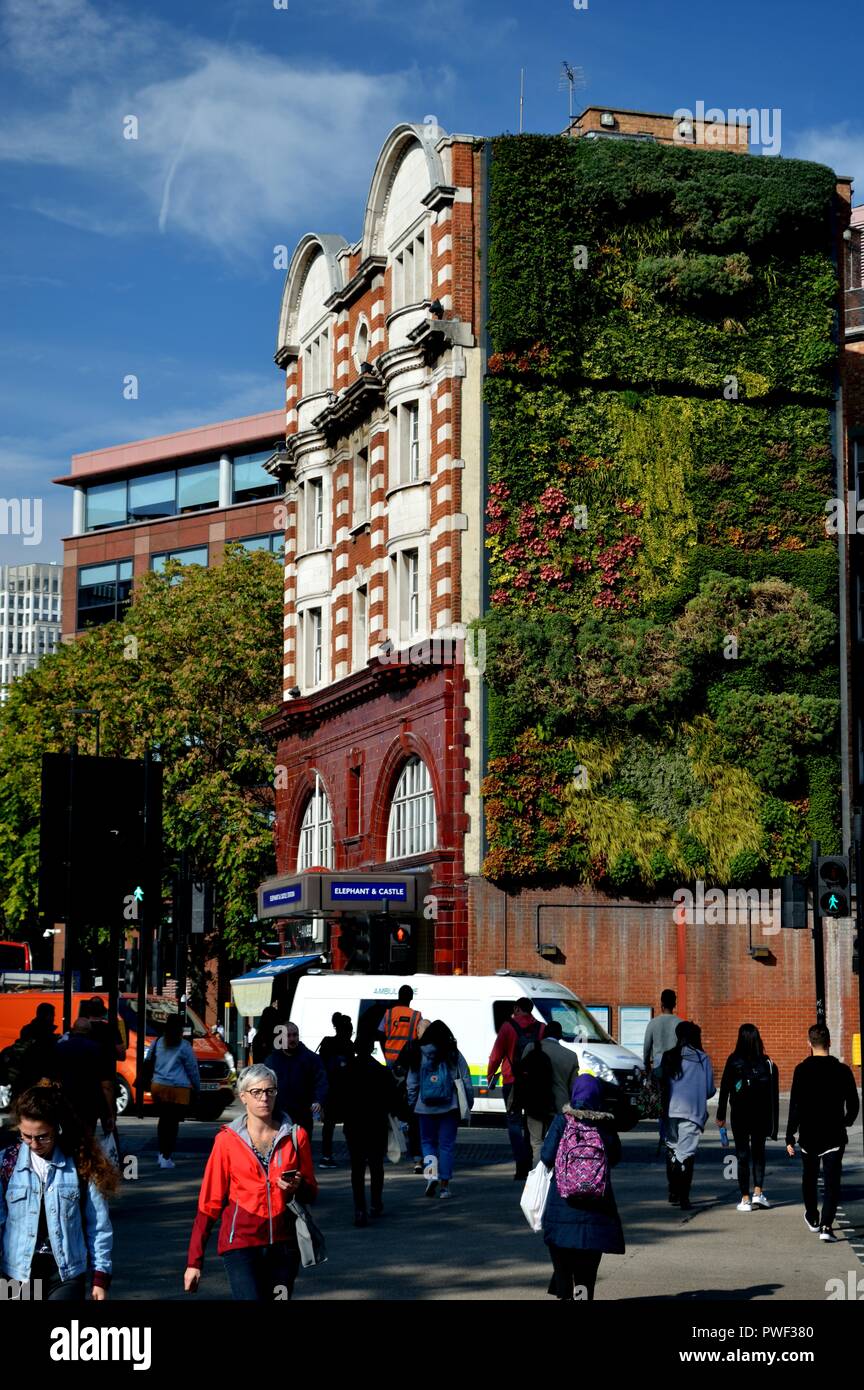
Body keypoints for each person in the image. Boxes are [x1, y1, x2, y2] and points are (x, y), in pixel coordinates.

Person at [184, 1064, 318, 1301]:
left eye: (270, 1091)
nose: (264, 1098)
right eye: (256, 1092)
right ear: (243, 1097)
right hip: (240, 1245)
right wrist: (194, 1261)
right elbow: (209, 1204)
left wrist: (299, 1187)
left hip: (285, 1245)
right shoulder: (226, 1141)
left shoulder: (297, 1136)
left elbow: (311, 1193)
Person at [0, 1080, 116, 1300]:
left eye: (42, 1136)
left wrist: (100, 1277)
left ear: (58, 1128)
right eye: (26, 1136)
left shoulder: (81, 1164)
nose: (34, 1144)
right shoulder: (7, 1163)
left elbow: (98, 1224)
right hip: (17, 1272)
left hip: (66, 1272)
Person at [540, 1072, 625, 1301]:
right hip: (597, 1210)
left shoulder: (562, 1121)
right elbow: (616, 1157)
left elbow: (546, 1157)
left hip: (562, 1207)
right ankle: (582, 1297)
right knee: (586, 1274)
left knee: (563, 1270)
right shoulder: (605, 1124)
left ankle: (565, 1295)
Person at [786, 1023, 860, 1242]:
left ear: (809, 1043)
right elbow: (854, 1103)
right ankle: (827, 1226)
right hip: (834, 1133)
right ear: (829, 1042)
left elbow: (795, 1106)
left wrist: (790, 1135)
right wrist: (846, 1121)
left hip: (809, 1134)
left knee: (809, 1178)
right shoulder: (842, 1070)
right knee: (832, 1181)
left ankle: (812, 1215)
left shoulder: (801, 1070)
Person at [406, 1019, 473, 1199]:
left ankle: (431, 1176)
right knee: (446, 1146)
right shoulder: (453, 1053)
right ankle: (444, 1187)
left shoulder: (418, 1052)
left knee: (427, 1143)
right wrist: (468, 1104)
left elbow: (411, 1083)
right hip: (449, 1107)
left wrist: (413, 1104)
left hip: (424, 1107)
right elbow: (466, 1079)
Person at [716, 1023, 779, 1212]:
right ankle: (758, 1192)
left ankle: (745, 1198)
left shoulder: (733, 1060)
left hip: (739, 1114)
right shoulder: (766, 1062)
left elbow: (725, 1090)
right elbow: (772, 1093)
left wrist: (721, 1115)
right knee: (759, 1153)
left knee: (742, 1155)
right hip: (760, 1114)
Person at [342, 1034, 400, 1226]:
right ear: (372, 1048)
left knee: (357, 1169)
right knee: (376, 1166)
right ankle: (376, 1202)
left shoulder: (347, 1071)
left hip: (354, 1125)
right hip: (376, 1125)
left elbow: (338, 1098)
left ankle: (359, 1209)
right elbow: (393, 1100)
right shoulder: (381, 1072)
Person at [487, 998, 546, 1180]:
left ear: (517, 1008)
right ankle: (530, 1163)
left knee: (513, 1123)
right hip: (535, 1083)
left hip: (512, 1082)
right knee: (532, 1122)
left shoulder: (507, 1027)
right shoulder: (541, 1028)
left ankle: (521, 1165)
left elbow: (496, 1055)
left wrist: (491, 1076)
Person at [661, 1021, 715, 1211]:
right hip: (692, 1112)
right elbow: (709, 1090)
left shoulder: (669, 1056)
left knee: (673, 1149)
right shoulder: (702, 1059)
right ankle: (684, 1197)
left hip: (669, 1111)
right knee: (687, 1155)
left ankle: (673, 1191)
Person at [145, 1013, 201, 1170]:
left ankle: (162, 1153)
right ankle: (166, 1155)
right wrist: (197, 1087)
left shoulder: (157, 1043)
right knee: (172, 1124)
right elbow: (192, 1069)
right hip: (178, 1089)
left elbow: (149, 1061)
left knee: (163, 1121)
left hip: (158, 1086)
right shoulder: (184, 1046)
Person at [379, 986, 424, 1173]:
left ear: (398, 997)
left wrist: (386, 1053)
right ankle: (416, 1156)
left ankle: (387, 1147)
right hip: (408, 1067)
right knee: (411, 1108)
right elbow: (419, 1039)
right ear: (411, 998)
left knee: (388, 1107)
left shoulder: (389, 1014)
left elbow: (380, 1034)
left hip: (391, 1066)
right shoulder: (416, 1016)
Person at [265, 1022, 328, 1137]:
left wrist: (318, 1100)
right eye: (288, 1035)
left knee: (301, 1148)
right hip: (279, 1113)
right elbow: (263, 1082)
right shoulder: (272, 1060)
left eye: (295, 1035)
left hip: (302, 1114)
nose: (292, 1039)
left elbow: (321, 1081)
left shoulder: (310, 1059)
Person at [54, 1017, 113, 1138]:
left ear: (73, 1030)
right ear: (89, 1031)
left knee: (67, 1136)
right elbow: (106, 1085)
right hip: (90, 1102)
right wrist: (109, 1113)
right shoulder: (98, 1049)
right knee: (87, 1137)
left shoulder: (59, 1048)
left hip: (66, 1102)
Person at [643, 990, 681, 1149]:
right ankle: (673, 1134)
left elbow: (646, 1048)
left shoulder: (653, 1023)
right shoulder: (679, 1023)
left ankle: (663, 1133)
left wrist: (647, 1066)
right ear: (675, 1004)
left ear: (661, 1003)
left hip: (658, 1068)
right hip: (675, 1069)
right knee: (674, 1102)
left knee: (661, 1102)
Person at [317, 1013, 355, 1168]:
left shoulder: (327, 1043)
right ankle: (354, 1153)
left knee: (329, 1125)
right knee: (351, 1125)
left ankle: (326, 1156)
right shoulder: (348, 1045)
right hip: (345, 1090)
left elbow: (321, 1066)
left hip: (330, 1090)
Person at [5, 1004, 59, 1102]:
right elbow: (46, 1056)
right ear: (48, 1016)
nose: (54, 1018)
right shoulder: (46, 1034)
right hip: (37, 1074)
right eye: (53, 1015)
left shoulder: (27, 1029)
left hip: (23, 1073)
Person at [540, 1021, 580, 1114]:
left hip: (535, 1103)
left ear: (544, 1033)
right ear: (560, 1036)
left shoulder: (531, 1048)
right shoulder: (571, 1056)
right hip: (560, 1106)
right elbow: (573, 1086)